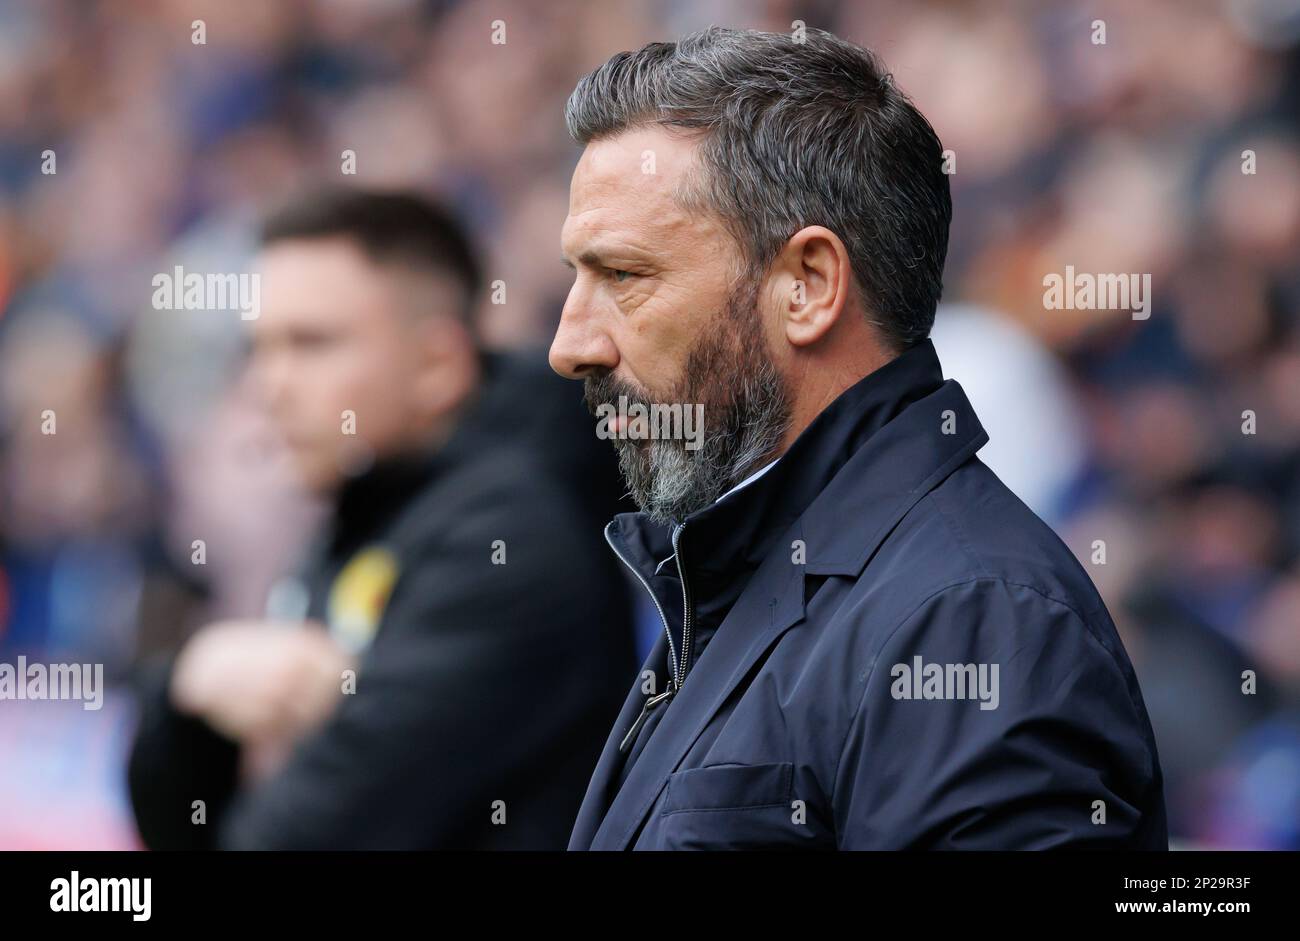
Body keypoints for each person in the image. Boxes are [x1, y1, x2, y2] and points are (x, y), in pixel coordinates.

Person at [551, 28, 1168, 850]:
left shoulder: (973, 620)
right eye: (576, 278)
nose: (570, 344)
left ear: (807, 286)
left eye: (624, 275)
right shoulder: (740, 575)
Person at [128, 188, 635, 849]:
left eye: (310, 343)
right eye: (258, 348)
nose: (266, 386)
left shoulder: (507, 546)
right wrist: (187, 697)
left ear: (438, 364)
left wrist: (184, 687)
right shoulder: (369, 506)